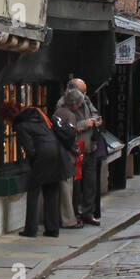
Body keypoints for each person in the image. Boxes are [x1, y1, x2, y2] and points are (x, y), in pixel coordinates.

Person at [2, 101, 62, 237]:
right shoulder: (36, 114)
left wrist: (33, 163)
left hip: (42, 155)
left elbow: (29, 149)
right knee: (51, 190)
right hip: (55, 151)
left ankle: (31, 229)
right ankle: (53, 229)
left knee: (33, 191)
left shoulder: (20, 125)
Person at [55, 78, 102, 225]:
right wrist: (84, 124)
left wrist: (95, 120)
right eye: (82, 92)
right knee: (75, 185)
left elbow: (94, 112)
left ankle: (88, 213)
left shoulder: (86, 100)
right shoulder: (63, 105)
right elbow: (65, 127)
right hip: (76, 149)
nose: (84, 95)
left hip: (90, 147)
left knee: (91, 183)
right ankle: (75, 214)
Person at [55, 88, 84, 228]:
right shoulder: (70, 115)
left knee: (61, 188)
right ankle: (68, 220)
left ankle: (61, 218)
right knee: (67, 188)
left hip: (56, 154)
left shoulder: (57, 112)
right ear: (75, 103)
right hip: (66, 156)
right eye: (79, 104)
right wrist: (77, 151)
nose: (79, 106)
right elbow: (71, 138)